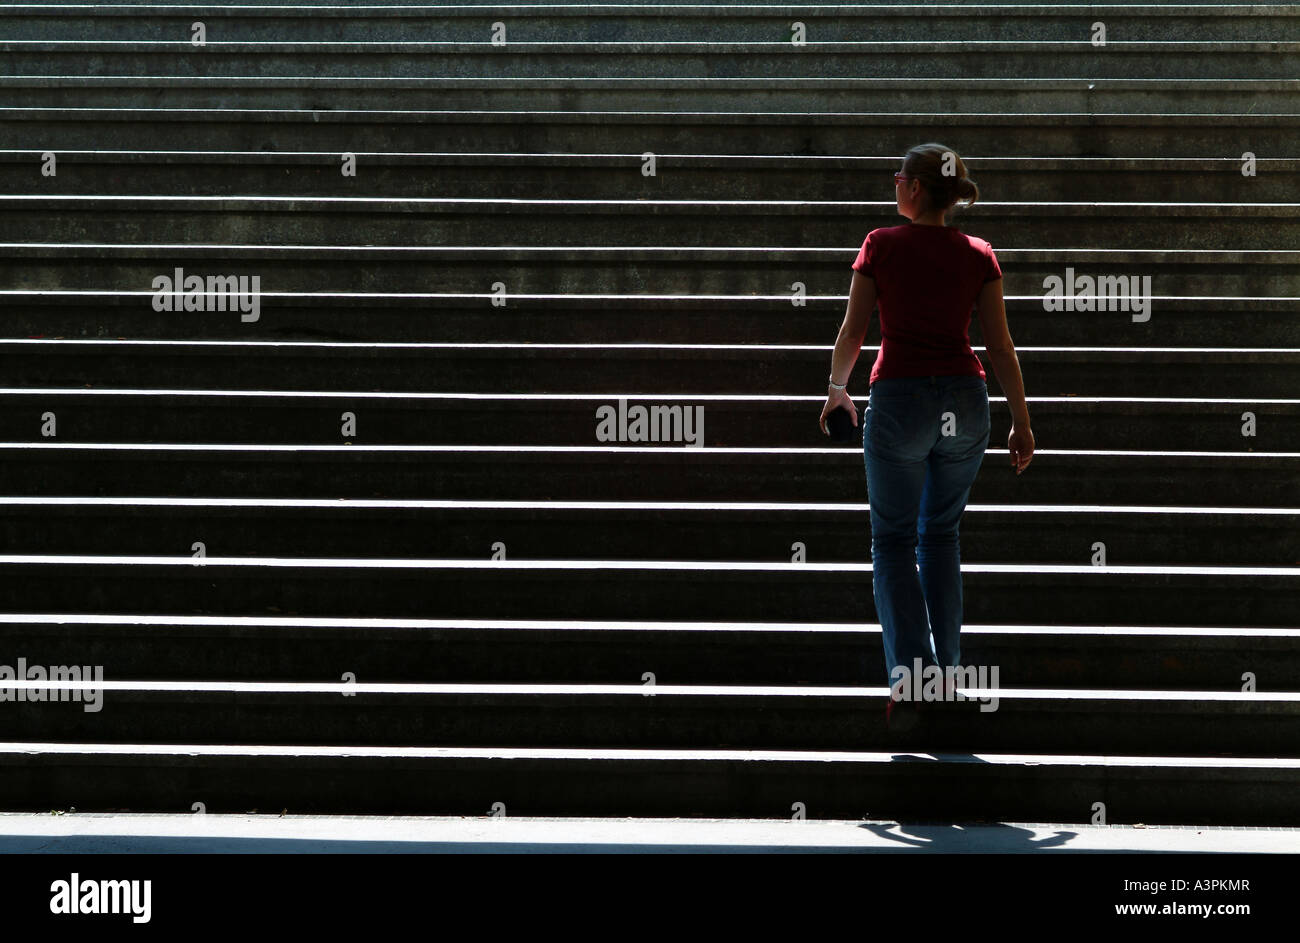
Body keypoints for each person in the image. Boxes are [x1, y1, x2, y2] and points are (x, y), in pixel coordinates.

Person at [817, 143, 1034, 726]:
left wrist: (838, 389)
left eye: (900, 177)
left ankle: (914, 679)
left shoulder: (881, 245)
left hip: (901, 402)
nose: (894, 183)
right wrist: (1021, 419)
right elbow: (1000, 345)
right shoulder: (979, 255)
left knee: (891, 541)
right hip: (965, 401)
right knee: (940, 537)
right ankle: (948, 672)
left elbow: (854, 332)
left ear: (914, 188)